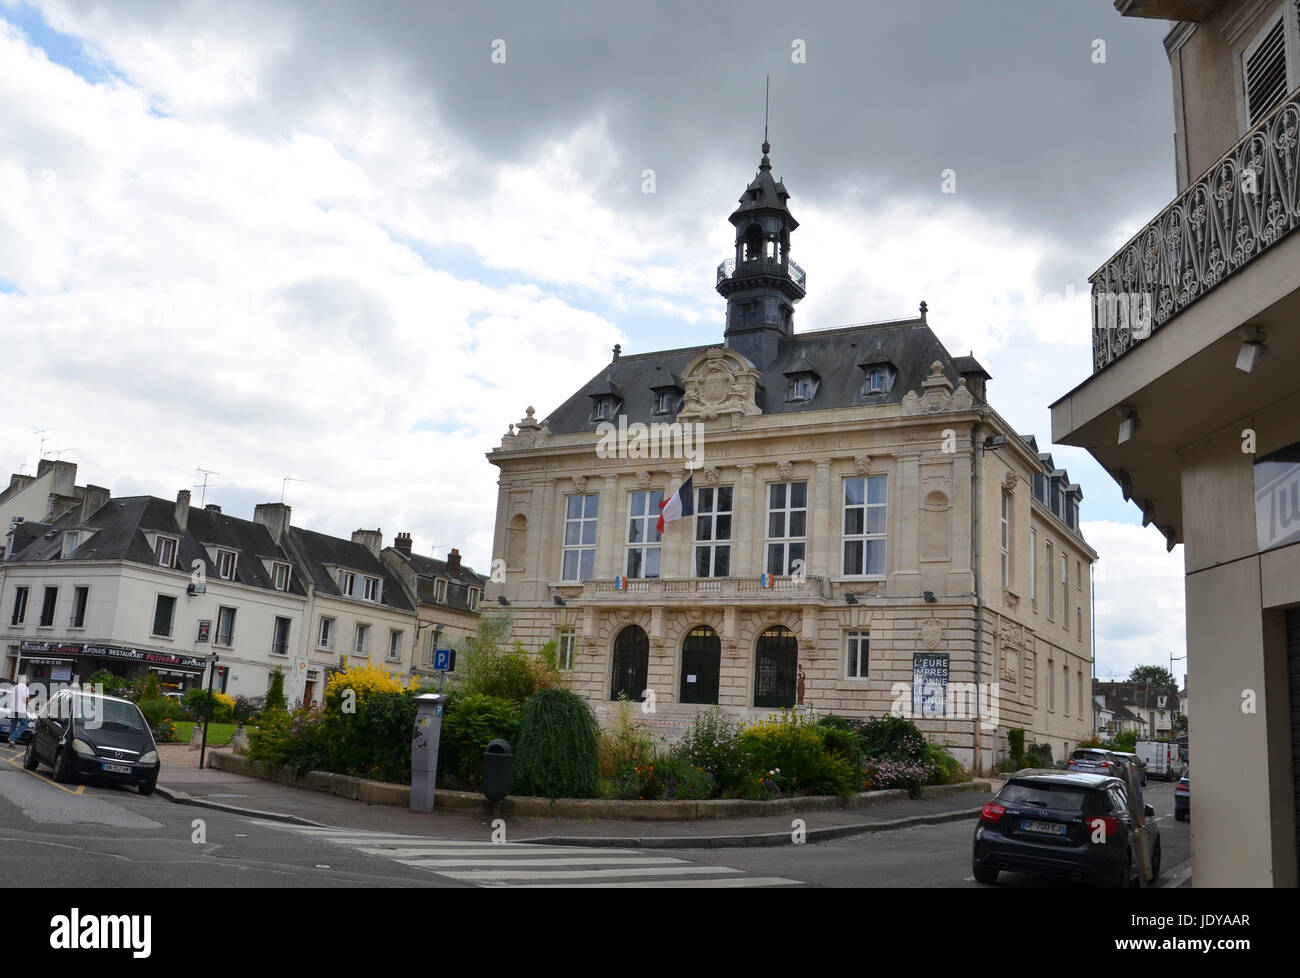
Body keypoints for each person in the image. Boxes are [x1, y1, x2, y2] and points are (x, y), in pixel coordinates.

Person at [6, 674, 30, 747]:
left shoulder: (15, 687)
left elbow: (10, 697)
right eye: (27, 681)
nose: (28, 683)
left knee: (13, 724)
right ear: (25, 681)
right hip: (21, 709)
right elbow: (25, 699)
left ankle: (11, 742)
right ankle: (12, 738)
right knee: (24, 724)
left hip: (13, 709)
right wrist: (28, 703)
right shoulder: (25, 688)